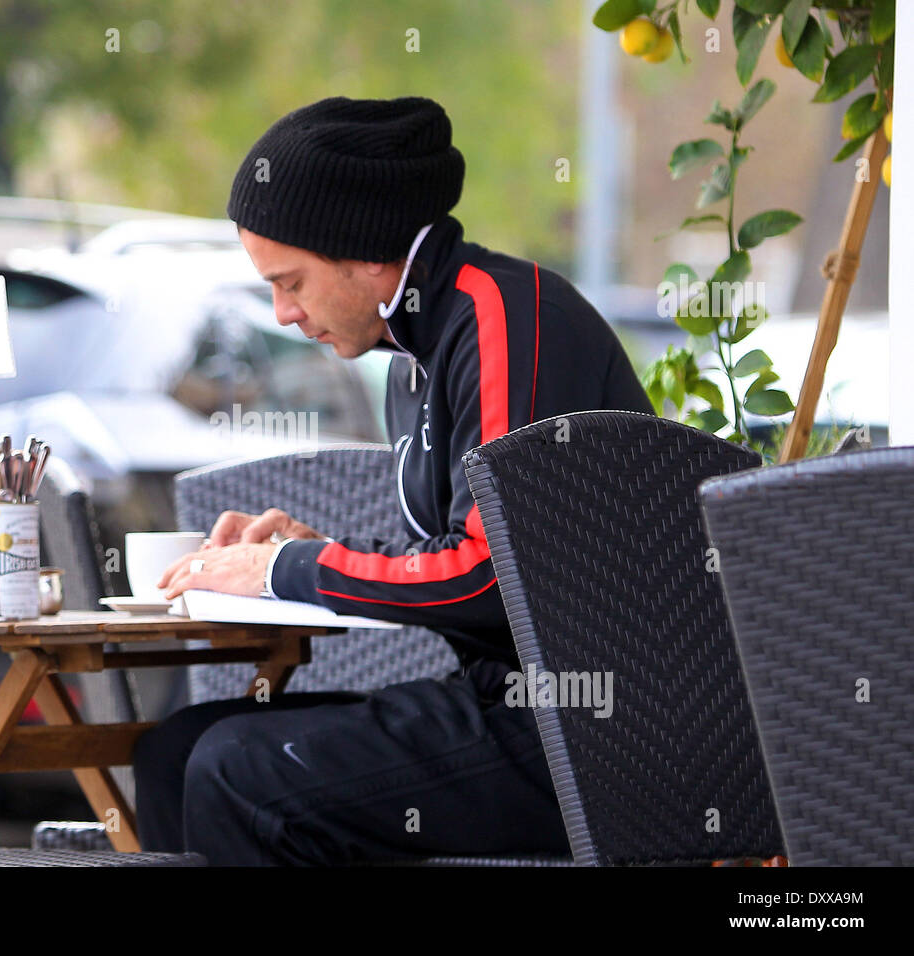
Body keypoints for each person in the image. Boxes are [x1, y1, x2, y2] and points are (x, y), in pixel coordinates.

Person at [131, 95, 653, 865]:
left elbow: (490, 577)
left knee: (237, 771)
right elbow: (457, 551)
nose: (281, 313)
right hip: (510, 708)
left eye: (292, 281)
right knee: (175, 750)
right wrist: (319, 553)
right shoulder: (414, 350)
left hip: (602, 733)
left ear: (368, 253)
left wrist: (286, 569)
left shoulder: (502, 318)